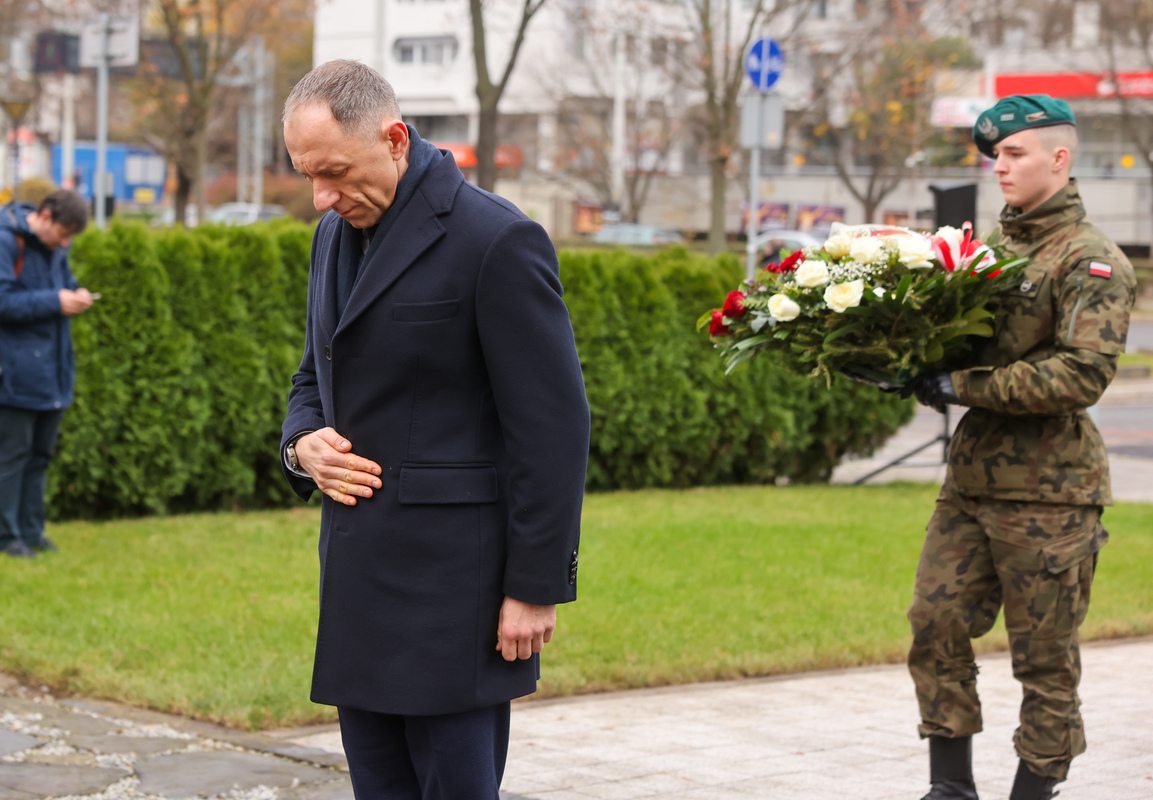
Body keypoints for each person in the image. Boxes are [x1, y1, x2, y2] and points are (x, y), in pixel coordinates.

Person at [279, 60, 590, 799]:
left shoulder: (497, 240)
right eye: (307, 176)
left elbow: (553, 426)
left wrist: (534, 589)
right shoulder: (334, 233)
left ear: (393, 139)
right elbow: (308, 380)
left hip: (459, 591)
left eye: (334, 172)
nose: (321, 197)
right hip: (359, 575)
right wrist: (302, 445)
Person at [903, 95, 1137, 800]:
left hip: (1050, 495)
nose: (997, 165)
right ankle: (950, 788)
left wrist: (960, 382)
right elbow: (962, 343)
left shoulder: (1091, 260)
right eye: (994, 155)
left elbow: (1081, 374)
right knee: (933, 626)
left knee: (1043, 662)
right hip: (970, 484)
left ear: (1057, 160)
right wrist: (902, 354)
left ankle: (1032, 792)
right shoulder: (990, 253)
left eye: (1013, 153)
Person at [0, 189, 92, 559]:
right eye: (63, 232)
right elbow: (3, 301)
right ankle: (8, 537)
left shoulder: (58, 250)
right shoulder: (7, 242)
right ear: (45, 216)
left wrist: (75, 294)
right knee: (12, 458)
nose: (65, 242)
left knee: (40, 456)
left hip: (52, 372)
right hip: (15, 376)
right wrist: (56, 301)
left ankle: (33, 532)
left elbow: (62, 286)